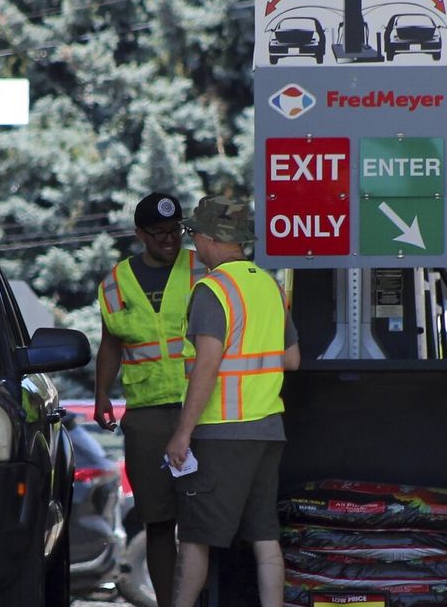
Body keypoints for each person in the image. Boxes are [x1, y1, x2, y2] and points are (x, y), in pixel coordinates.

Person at [163, 196, 300, 607]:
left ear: (208, 238)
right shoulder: (270, 286)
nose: (192, 245)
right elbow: (292, 359)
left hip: (223, 433)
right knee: (265, 537)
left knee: (194, 539)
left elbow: (207, 365)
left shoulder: (212, 290)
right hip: (268, 431)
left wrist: (182, 433)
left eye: (193, 236)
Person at [94, 192, 204, 607]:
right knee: (158, 522)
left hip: (203, 409)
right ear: (139, 234)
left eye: (174, 230)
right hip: (146, 416)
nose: (169, 240)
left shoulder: (201, 268)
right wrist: (102, 394)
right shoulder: (116, 281)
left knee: (205, 523)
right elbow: (111, 343)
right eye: (158, 234)